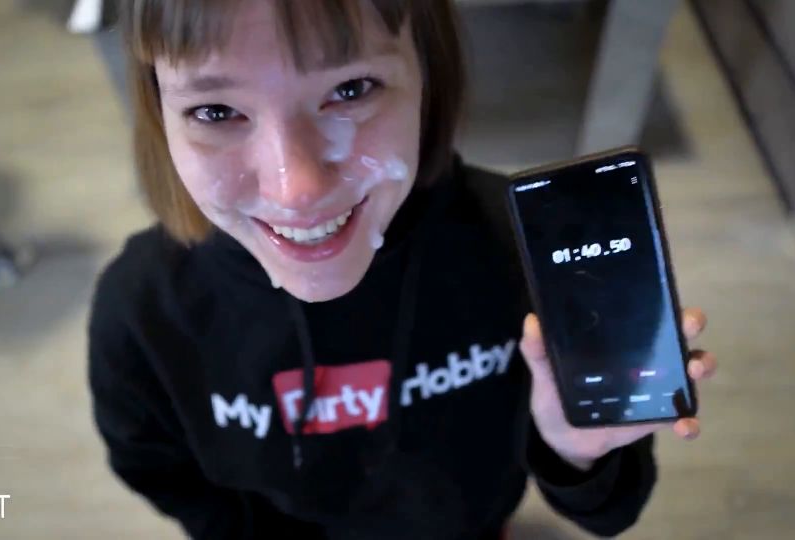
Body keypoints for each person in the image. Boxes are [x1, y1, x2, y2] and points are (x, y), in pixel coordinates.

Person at [87, 1, 718, 538]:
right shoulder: (143, 309)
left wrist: (576, 451)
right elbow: (155, 466)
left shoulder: (518, 252)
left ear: (428, 80)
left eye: (351, 90)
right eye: (216, 112)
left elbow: (611, 510)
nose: (297, 189)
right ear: (160, 117)